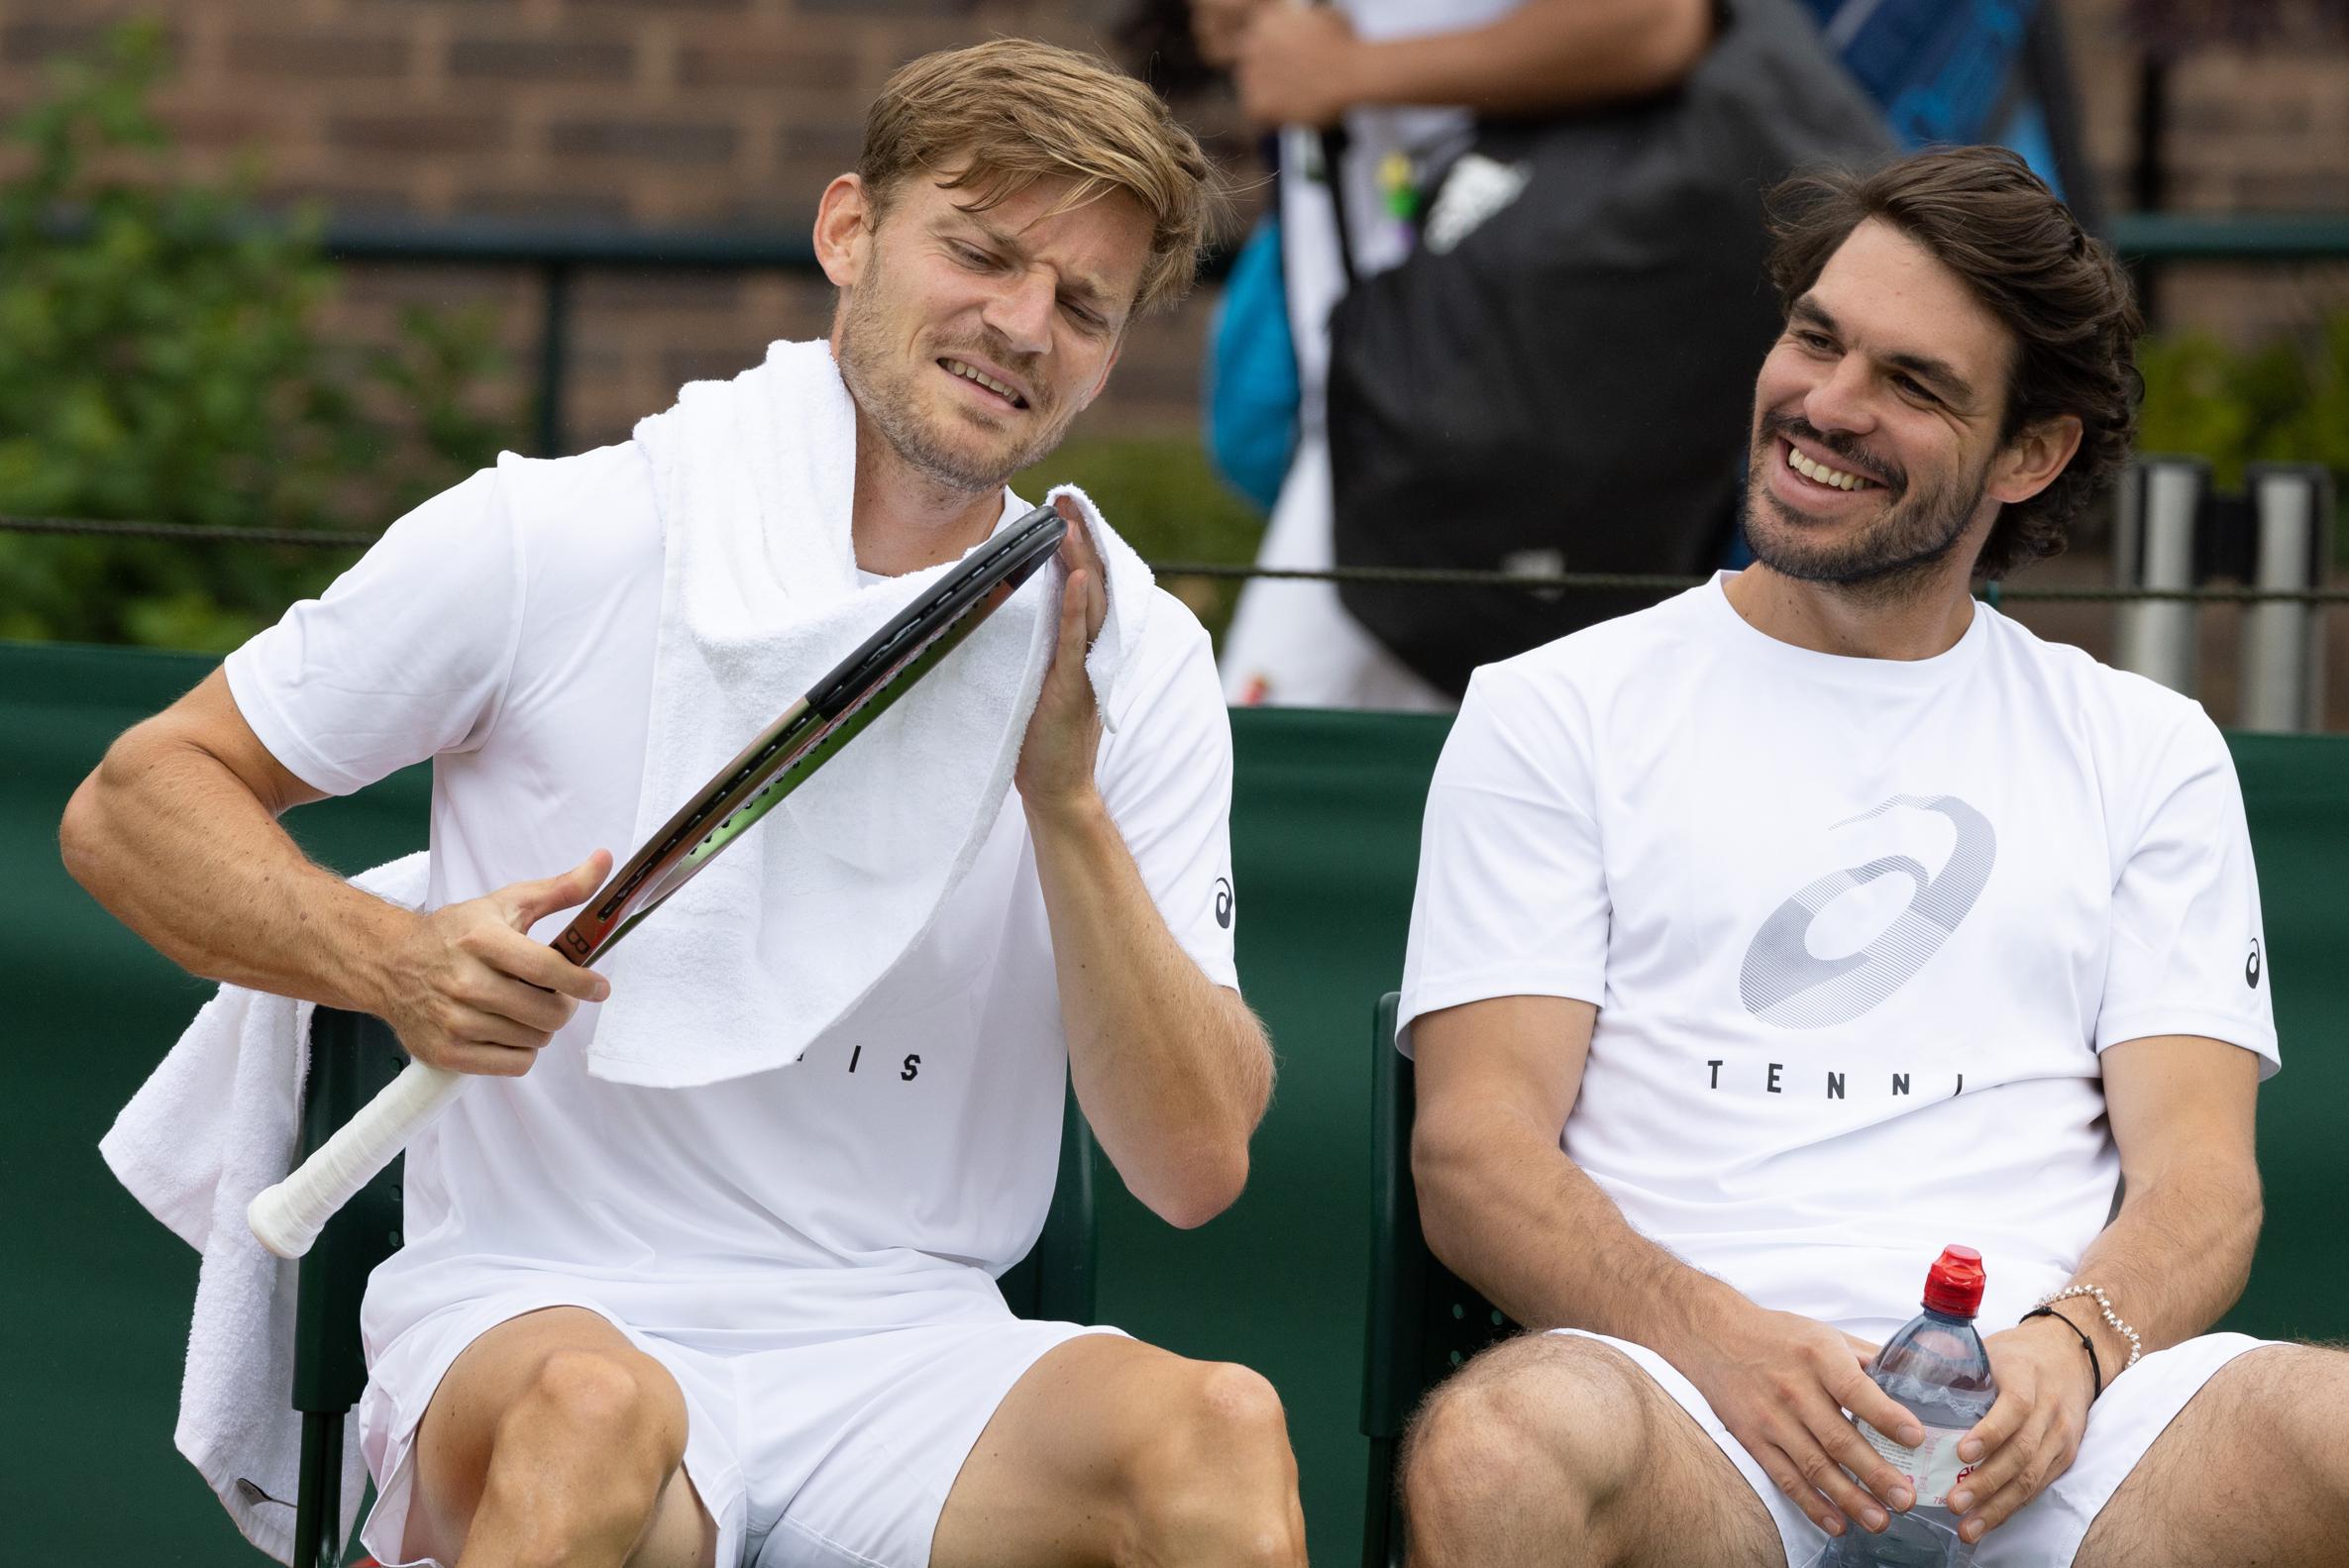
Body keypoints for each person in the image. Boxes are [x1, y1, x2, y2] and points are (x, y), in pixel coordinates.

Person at [61, 40, 1305, 1568]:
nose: (1019, 324)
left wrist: (1065, 800)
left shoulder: (1135, 651)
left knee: (1220, 1430)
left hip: (906, 1339)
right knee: (592, 1411)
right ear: (846, 230)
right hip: (541, 1298)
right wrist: (389, 959)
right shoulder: (557, 533)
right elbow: (131, 801)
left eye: (1082, 304)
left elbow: (1193, 1170)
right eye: (978, 252)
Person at [1394, 145, 2349, 1567]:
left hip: (2064, 1438)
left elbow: (2201, 1181)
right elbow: (1473, 1153)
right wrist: (1712, 1337)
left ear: (2028, 453)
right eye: (1813, 337)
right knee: (1492, 1448)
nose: (1823, 405)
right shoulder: (1553, 710)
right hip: (1694, 1416)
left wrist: (2070, 1350)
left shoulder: (2141, 745)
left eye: (1911, 383)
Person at [1194, 0, 1717, 710]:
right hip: (1392, 397)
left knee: (1275, 767)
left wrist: (1350, 70)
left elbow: (1653, 21)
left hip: (1500, 394)